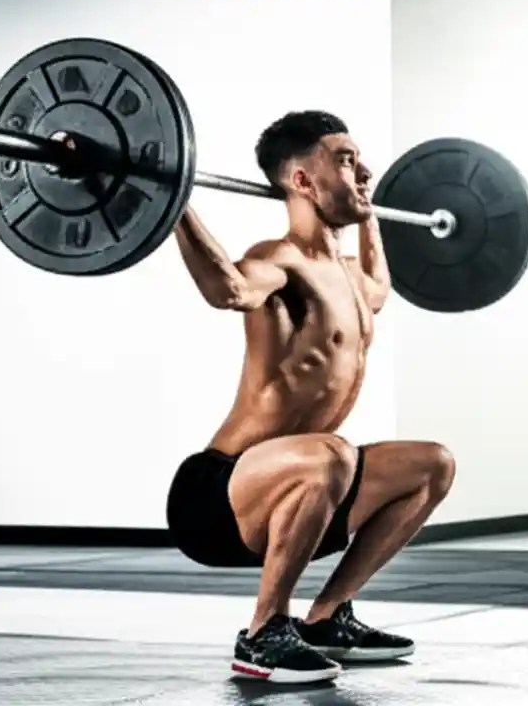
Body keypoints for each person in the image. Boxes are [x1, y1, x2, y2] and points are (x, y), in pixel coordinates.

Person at [164, 111, 457, 684]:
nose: (364, 171)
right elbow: (229, 288)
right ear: (302, 180)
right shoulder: (279, 260)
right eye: (346, 161)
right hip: (217, 496)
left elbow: (378, 290)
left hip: (309, 485)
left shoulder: (347, 274)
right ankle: (263, 633)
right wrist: (172, 203)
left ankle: (325, 617)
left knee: (432, 465)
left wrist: (369, 214)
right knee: (333, 452)